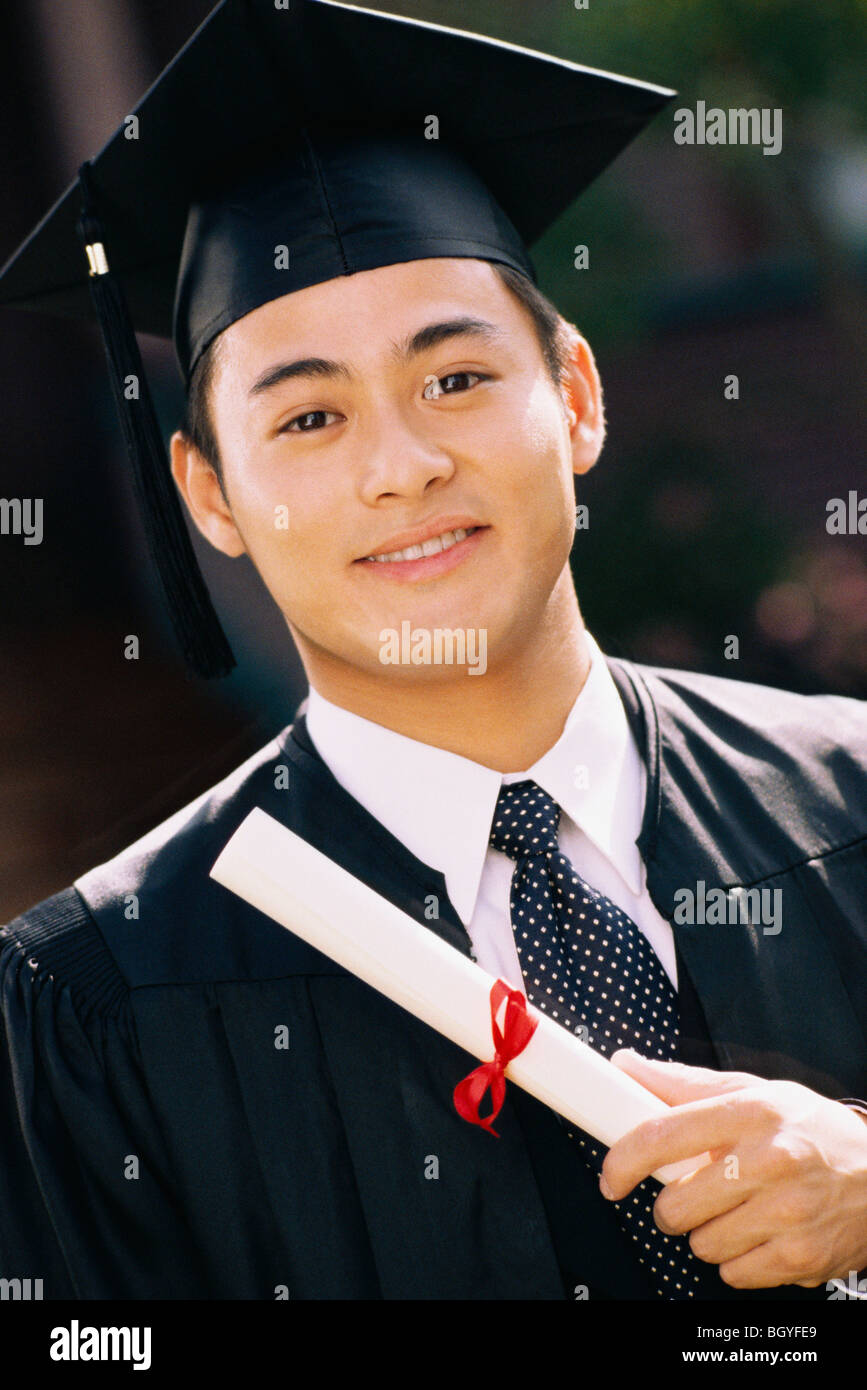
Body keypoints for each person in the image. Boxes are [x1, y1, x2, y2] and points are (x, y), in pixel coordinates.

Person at [1, 0, 866, 1302]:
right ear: (211, 495)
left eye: (455, 379)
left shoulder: (854, 799)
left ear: (575, 397)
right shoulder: (98, 1000)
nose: (401, 467)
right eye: (307, 417)